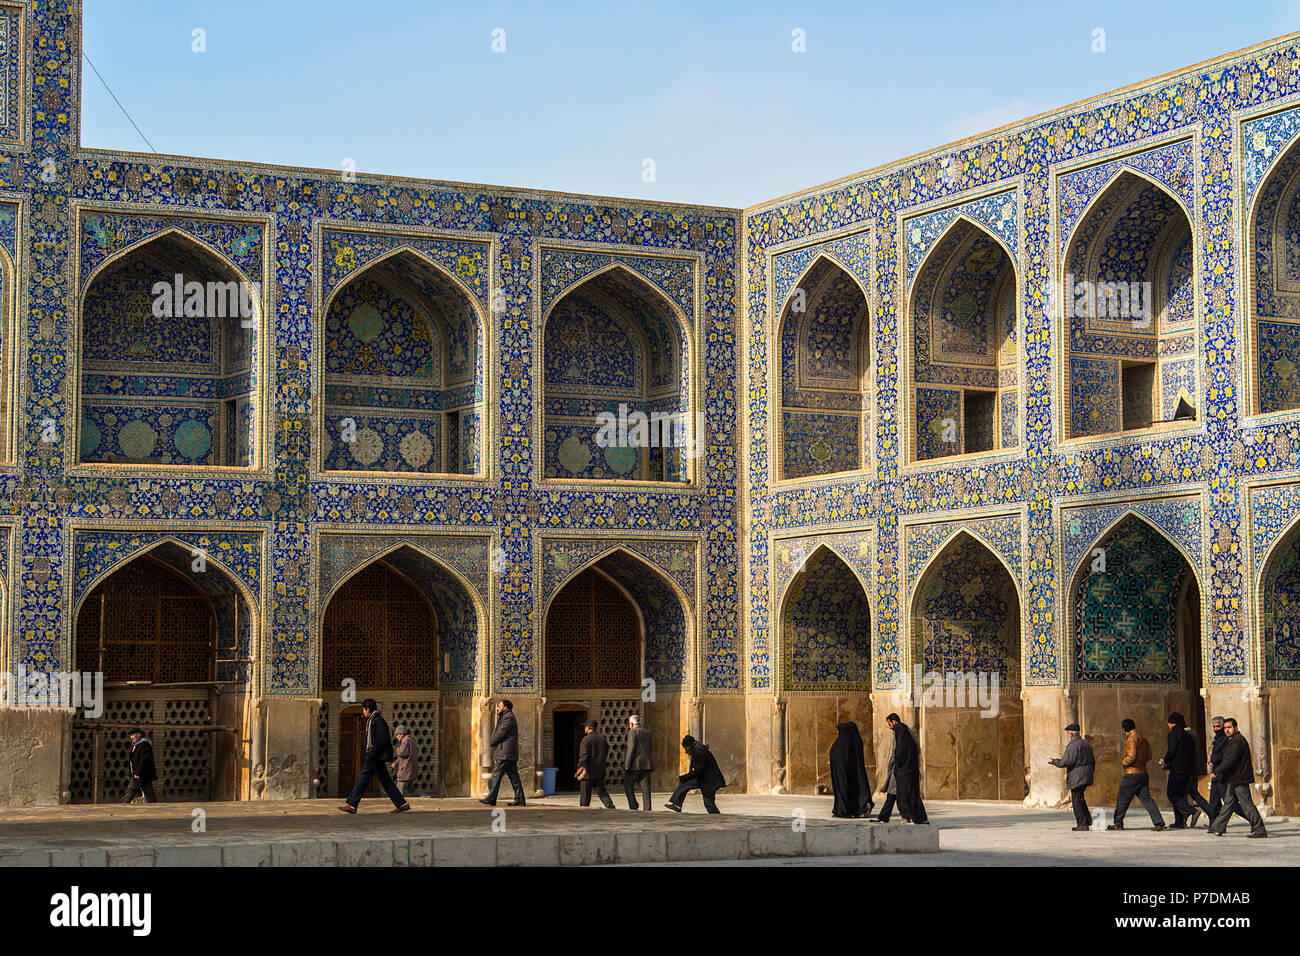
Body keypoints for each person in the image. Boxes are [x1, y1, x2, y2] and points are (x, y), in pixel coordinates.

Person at [339, 699, 410, 814]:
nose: (363, 712)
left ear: (368, 709)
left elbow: (382, 740)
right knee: (386, 781)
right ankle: (402, 803)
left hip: (375, 756)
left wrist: (372, 753)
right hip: (377, 756)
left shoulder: (377, 721)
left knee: (363, 778)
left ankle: (352, 804)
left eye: (363, 709)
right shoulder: (374, 720)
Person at [1207, 718, 1267, 838]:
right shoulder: (1232, 740)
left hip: (1239, 778)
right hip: (1233, 778)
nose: (1227, 730)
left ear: (1235, 728)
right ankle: (1217, 827)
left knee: (1246, 804)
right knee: (1229, 802)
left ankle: (1259, 829)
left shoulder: (1237, 741)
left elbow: (1231, 760)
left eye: (1229, 727)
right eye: (1225, 728)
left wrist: (1217, 771)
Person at [1106, 718, 1165, 831]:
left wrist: (1125, 762)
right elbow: (1149, 755)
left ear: (1124, 729)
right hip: (1143, 773)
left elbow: (1132, 755)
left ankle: (1118, 823)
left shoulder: (1131, 739)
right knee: (1147, 799)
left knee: (1123, 799)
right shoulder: (1142, 738)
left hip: (1132, 774)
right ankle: (1159, 822)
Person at [1162, 712, 1207, 828]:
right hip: (1188, 770)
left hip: (1177, 770)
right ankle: (1179, 821)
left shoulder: (1173, 734)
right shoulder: (1188, 735)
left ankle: (1192, 811)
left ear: (1172, 723)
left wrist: (1165, 761)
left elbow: (1171, 751)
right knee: (1180, 796)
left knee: (1172, 794)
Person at [1049, 722, 1095, 831]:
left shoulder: (1074, 745)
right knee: (1080, 798)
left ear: (1070, 734)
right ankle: (1086, 821)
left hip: (1077, 776)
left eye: (1068, 733)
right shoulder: (1085, 744)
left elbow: (1067, 761)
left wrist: (1054, 761)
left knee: (1077, 801)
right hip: (1086, 775)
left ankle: (1082, 824)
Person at [480, 698, 526, 807]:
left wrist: (491, 741)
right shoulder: (506, 716)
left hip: (505, 752)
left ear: (505, 707)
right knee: (514, 777)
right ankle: (520, 799)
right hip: (508, 753)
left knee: (496, 775)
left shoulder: (508, 717)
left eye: (499, 706)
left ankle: (491, 798)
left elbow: (501, 733)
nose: (497, 708)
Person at [884, 714, 928, 824]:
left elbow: (896, 753)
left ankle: (909, 816)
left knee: (904, 795)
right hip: (910, 769)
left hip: (902, 770)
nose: (889, 727)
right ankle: (915, 817)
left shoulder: (899, 733)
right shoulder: (907, 732)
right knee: (910, 794)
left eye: (889, 724)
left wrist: (892, 767)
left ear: (893, 722)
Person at [665, 735, 725, 813]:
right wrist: (684, 778)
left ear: (689, 746)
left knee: (709, 803)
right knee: (685, 784)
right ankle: (677, 804)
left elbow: (697, 771)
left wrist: (683, 777)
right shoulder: (697, 750)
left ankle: (717, 818)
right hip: (702, 778)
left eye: (685, 748)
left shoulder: (700, 752)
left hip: (709, 781)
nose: (685, 751)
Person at [829, 721, 874, 819]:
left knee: (844, 788)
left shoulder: (842, 742)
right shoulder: (853, 740)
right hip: (851, 772)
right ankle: (853, 808)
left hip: (842, 773)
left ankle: (843, 809)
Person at [577, 719, 616, 808]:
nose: (584, 728)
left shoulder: (586, 739)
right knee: (601, 790)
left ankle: (584, 809)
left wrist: (580, 766)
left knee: (585, 793)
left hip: (588, 771)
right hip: (600, 770)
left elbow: (584, 755)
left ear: (588, 728)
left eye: (585, 727)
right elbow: (606, 752)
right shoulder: (602, 739)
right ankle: (610, 805)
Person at [624, 714, 654, 811]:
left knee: (628, 785)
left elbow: (631, 749)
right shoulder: (648, 733)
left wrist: (627, 764)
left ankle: (633, 805)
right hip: (647, 764)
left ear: (632, 724)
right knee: (646, 789)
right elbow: (650, 749)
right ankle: (647, 808)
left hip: (634, 765)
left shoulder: (632, 732)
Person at [121, 728, 158, 804]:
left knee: (130, 792)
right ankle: (155, 807)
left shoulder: (144, 744)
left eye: (133, 735)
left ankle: (122, 808)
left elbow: (144, 760)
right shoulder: (136, 745)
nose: (131, 737)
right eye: (131, 735)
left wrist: (138, 773)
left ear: (138, 734)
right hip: (140, 775)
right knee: (149, 795)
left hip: (140, 775)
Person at [390, 724, 423, 798]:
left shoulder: (405, 740)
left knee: (398, 792)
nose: (396, 737)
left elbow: (403, 753)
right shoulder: (410, 740)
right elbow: (405, 755)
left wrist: (397, 749)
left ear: (401, 734)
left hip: (405, 771)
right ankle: (424, 796)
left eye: (397, 735)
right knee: (411, 790)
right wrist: (396, 762)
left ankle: (400, 805)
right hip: (410, 770)